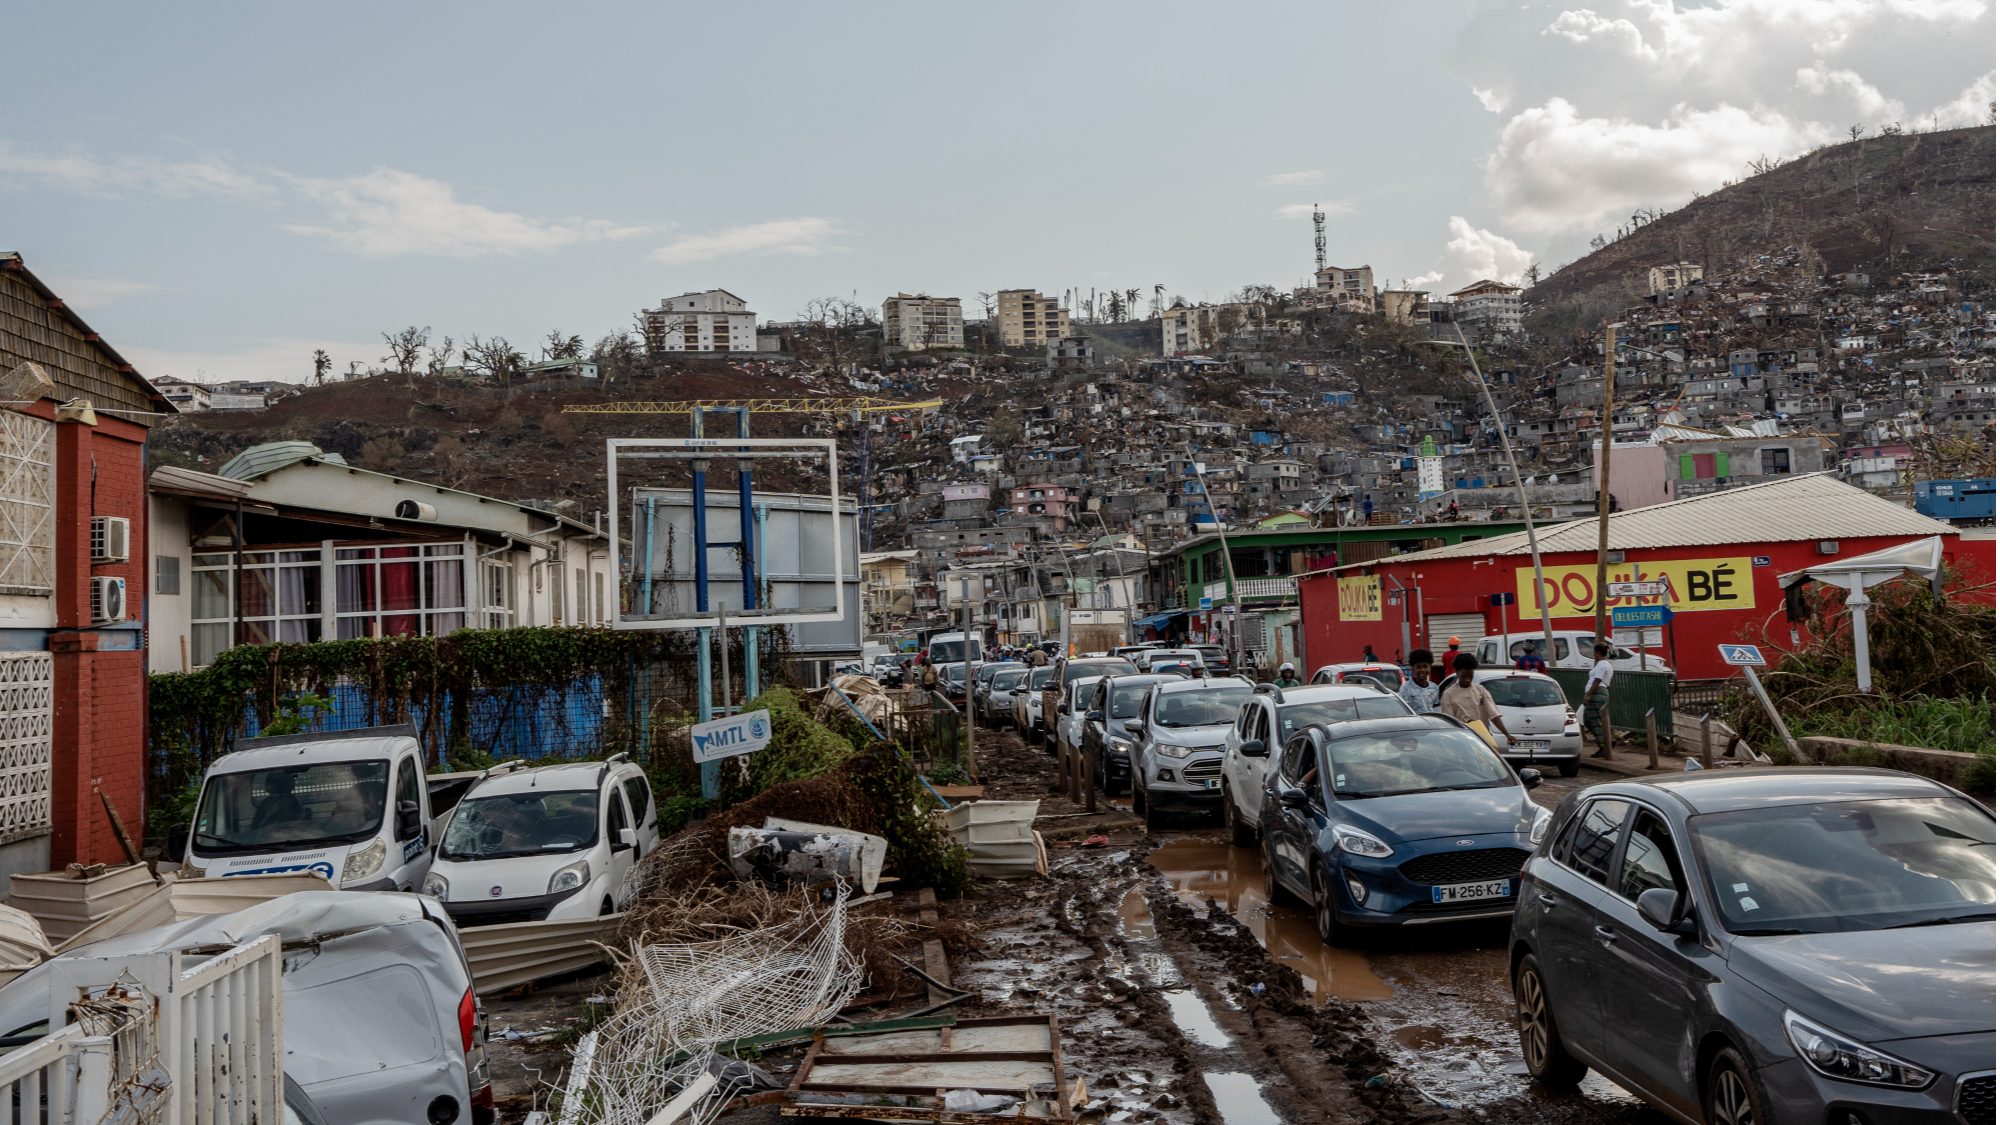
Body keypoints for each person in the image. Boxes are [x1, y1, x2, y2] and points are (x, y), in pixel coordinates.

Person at [1438, 653, 1510, 742]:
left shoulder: (1480, 690)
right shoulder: (1448, 694)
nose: (1467, 679)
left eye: (1470, 676)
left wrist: (1507, 734)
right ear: (1457, 673)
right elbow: (1449, 723)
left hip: (1482, 740)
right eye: (1464, 676)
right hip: (1462, 741)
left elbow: (1493, 715)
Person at [1583, 640, 1615, 757]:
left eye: (1594, 652)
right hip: (1600, 692)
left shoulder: (1602, 664)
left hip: (1596, 693)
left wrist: (1588, 695)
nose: (1593, 655)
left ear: (1597, 652)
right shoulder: (1606, 665)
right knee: (1588, 720)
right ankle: (1607, 742)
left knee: (1595, 721)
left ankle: (1604, 747)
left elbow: (1597, 679)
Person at [1399, 649, 1438, 713]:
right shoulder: (1406, 688)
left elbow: (1436, 709)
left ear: (1430, 667)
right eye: (1418, 667)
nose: (1422, 670)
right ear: (1413, 668)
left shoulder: (1434, 688)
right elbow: (1403, 712)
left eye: (1425, 666)